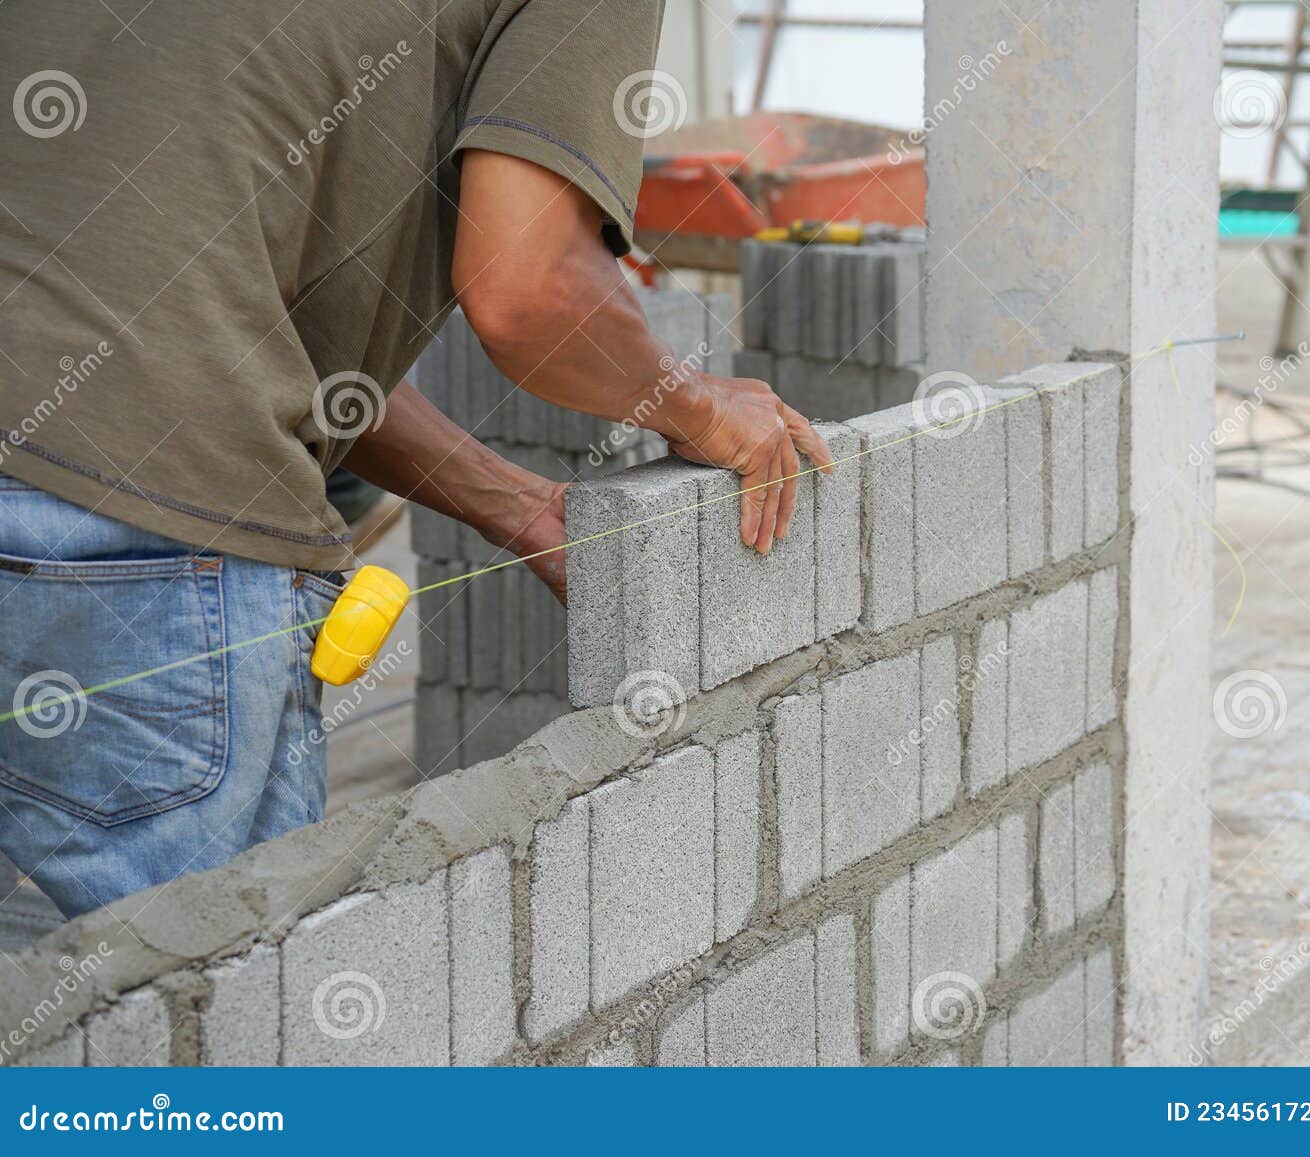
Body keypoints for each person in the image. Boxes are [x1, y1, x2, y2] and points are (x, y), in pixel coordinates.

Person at [0, 2, 831, 918]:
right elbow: (532, 288)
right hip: (143, 533)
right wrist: (702, 406)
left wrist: (518, 505)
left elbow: (241, 336)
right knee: (203, 1020)